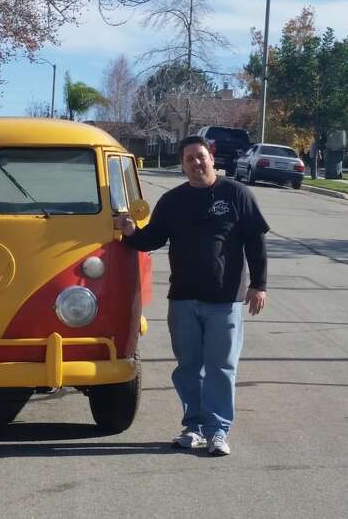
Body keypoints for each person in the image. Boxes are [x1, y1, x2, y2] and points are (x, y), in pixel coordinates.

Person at [114, 135, 269, 456]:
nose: (196, 163)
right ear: (183, 165)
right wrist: (130, 234)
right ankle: (194, 426)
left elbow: (255, 241)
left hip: (225, 300)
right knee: (188, 366)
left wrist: (259, 285)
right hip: (183, 298)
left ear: (211, 157)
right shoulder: (172, 201)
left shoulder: (236, 194)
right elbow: (151, 239)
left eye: (200, 156)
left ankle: (218, 430)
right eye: (189, 159)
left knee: (221, 367)